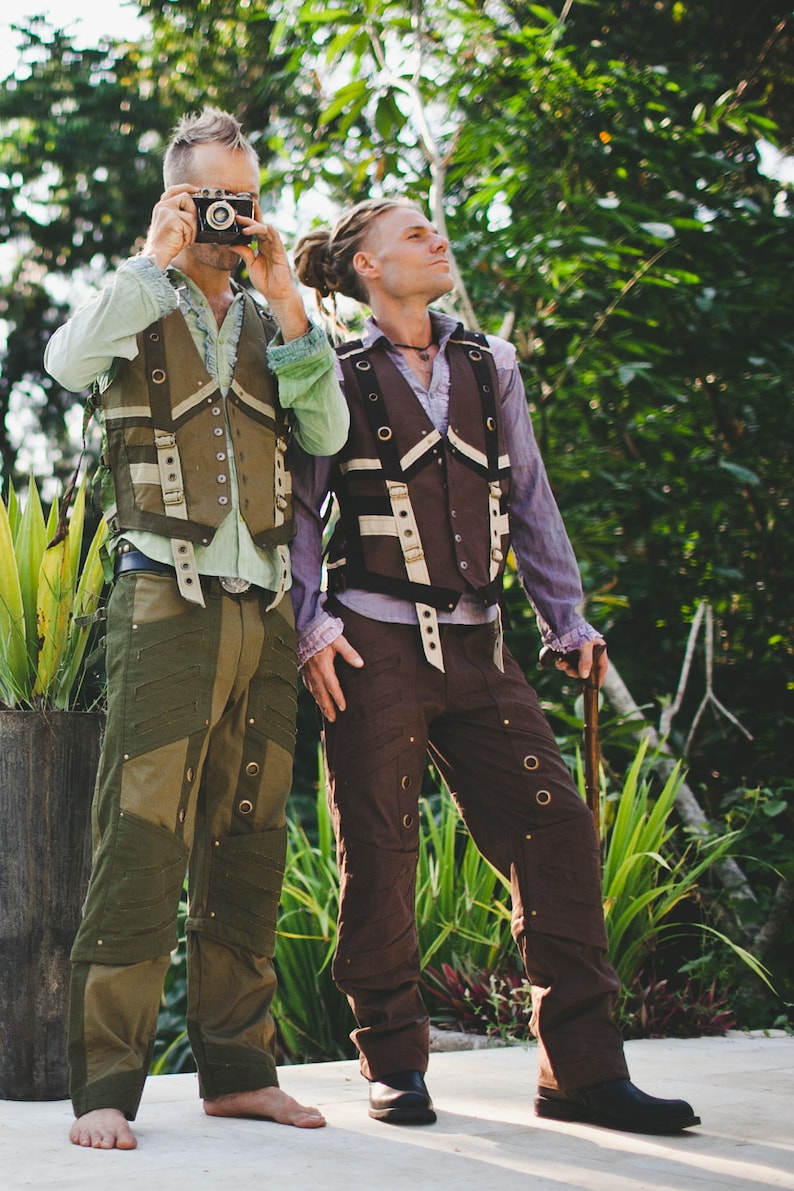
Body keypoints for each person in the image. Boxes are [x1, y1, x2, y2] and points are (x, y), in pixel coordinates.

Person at [288, 198, 701, 1134]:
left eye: (436, 230)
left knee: (555, 827)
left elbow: (533, 498)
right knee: (381, 850)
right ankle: (395, 1064)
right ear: (365, 267)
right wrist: (311, 629)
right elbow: (299, 517)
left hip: (483, 643)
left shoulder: (490, 363)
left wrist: (569, 620)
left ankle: (583, 1072)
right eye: (413, 234)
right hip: (373, 644)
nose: (436, 240)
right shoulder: (335, 377)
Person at [44, 107, 350, 1150]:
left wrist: (286, 298)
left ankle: (238, 1072)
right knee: (139, 841)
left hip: (260, 613)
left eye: (245, 199)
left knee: (251, 841)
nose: (231, 216)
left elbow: (328, 434)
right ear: (179, 196)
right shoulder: (135, 302)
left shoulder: (274, 322)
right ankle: (105, 1089)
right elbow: (66, 366)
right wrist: (151, 257)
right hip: (161, 602)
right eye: (211, 196)